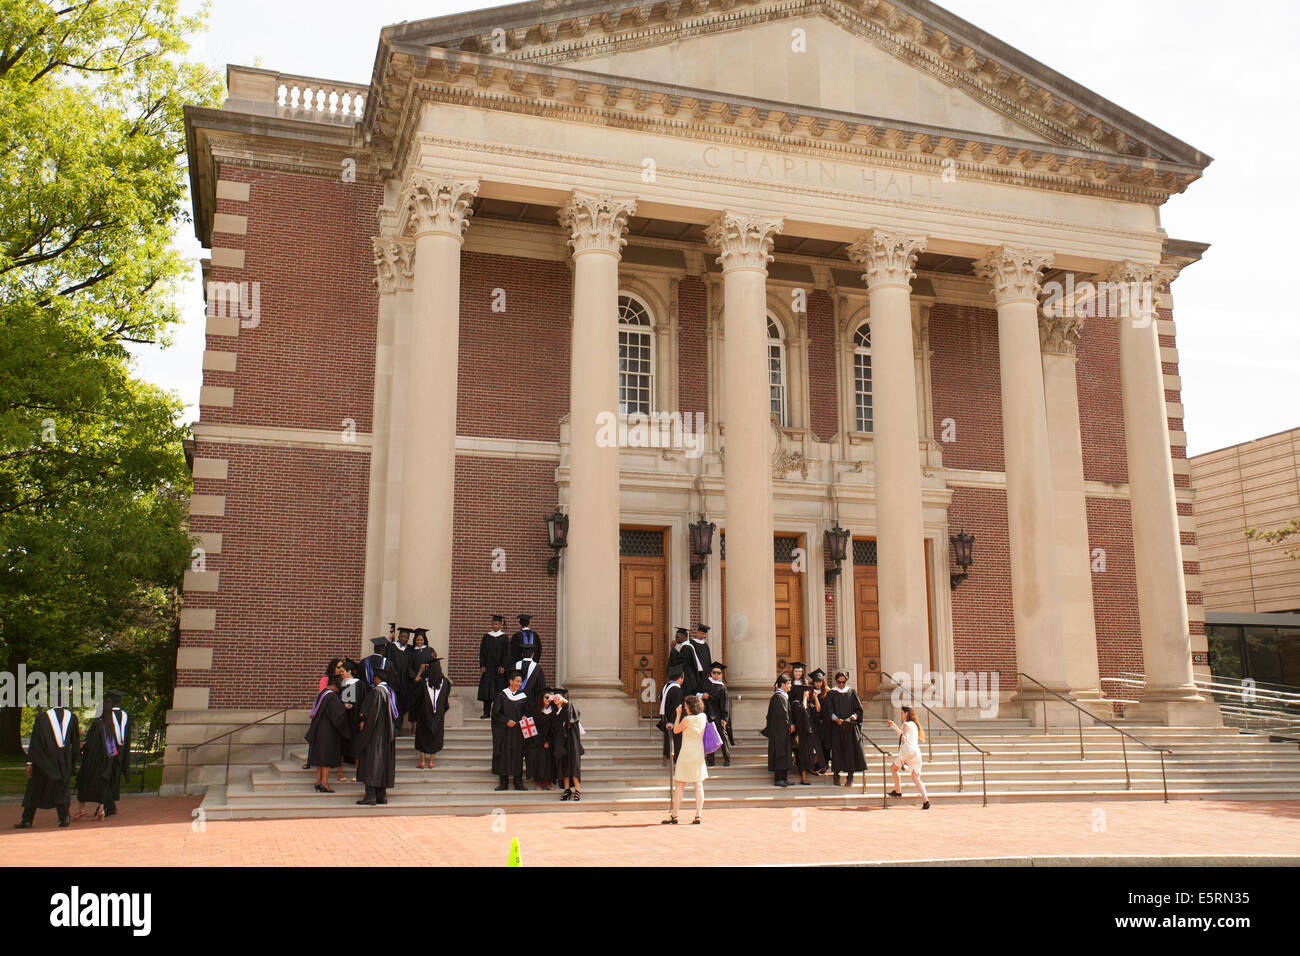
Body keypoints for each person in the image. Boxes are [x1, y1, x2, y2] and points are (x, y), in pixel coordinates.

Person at [15, 698, 79, 829]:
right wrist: (72, 761)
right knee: (61, 789)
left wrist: (30, 761)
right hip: (63, 761)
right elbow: (76, 743)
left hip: (43, 761)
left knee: (34, 789)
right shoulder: (72, 718)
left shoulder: (43, 718)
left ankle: (27, 820)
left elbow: (35, 741)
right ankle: (64, 817)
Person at [354, 655, 398, 806]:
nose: (372, 680)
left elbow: (371, 716)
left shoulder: (377, 692)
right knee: (383, 764)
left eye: (374, 678)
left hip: (375, 736)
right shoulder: (390, 692)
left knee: (372, 763)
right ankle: (382, 796)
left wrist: (364, 729)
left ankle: (371, 796)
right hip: (387, 735)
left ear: (378, 678)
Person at [662, 695, 709, 824]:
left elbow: (676, 730)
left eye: (686, 705)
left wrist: (677, 715)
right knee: (698, 784)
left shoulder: (687, 719)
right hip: (698, 753)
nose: (684, 707)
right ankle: (698, 814)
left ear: (690, 707)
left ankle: (675, 815)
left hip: (686, 753)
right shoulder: (703, 717)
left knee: (680, 785)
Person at [305, 676, 348, 793]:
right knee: (326, 758)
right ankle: (324, 784)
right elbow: (337, 715)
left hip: (319, 730)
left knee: (320, 758)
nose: (340, 689)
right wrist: (344, 707)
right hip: (328, 732)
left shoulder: (322, 694)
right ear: (334, 685)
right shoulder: (332, 697)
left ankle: (318, 782)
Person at [75, 711, 118, 820]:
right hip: (104, 762)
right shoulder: (109, 725)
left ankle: (81, 809)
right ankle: (101, 809)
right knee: (101, 785)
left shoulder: (97, 724)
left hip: (91, 761)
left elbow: (90, 742)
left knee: (82, 783)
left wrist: (82, 745)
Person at [515, 649, 549, 788]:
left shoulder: (515, 667)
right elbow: (541, 691)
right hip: (532, 715)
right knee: (532, 745)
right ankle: (533, 774)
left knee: (518, 745)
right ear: (533, 655)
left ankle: (517, 777)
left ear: (522, 654)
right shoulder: (538, 669)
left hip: (517, 713)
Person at [826, 671, 867, 786]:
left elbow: (859, 709)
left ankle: (850, 777)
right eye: (839, 682)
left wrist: (855, 716)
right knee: (837, 752)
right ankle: (836, 776)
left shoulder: (852, 692)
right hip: (837, 727)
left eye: (843, 682)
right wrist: (835, 719)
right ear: (836, 681)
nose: (841, 685)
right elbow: (829, 710)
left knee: (850, 752)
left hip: (849, 727)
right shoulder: (832, 693)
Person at [888, 706, 931, 809]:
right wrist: (896, 727)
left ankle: (898, 791)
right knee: (916, 778)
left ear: (906, 713)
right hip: (916, 753)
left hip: (908, 752)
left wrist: (896, 729)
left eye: (902, 713)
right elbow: (905, 737)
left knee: (893, 768)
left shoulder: (906, 724)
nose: (901, 715)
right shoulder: (914, 725)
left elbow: (904, 738)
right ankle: (926, 801)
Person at [491, 671, 528, 791]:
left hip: (518, 731)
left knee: (517, 756)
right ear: (510, 681)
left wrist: (524, 716)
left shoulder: (522, 696)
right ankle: (503, 783)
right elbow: (495, 714)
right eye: (517, 681)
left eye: (520, 681)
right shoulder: (501, 696)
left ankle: (518, 783)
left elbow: (526, 712)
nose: (519, 683)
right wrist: (506, 721)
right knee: (504, 755)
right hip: (505, 731)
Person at [414, 661, 452, 770]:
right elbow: (445, 699)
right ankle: (431, 761)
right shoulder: (445, 683)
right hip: (438, 714)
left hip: (424, 713)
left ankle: (422, 761)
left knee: (422, 734)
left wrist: (420, 671)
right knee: (435, 735)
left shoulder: (424, 682)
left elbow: (416, 694)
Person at [550, 688, 584, 801]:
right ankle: (567, 789)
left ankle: (578, 789)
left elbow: (575, 713)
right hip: (560, 743)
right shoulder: (555, 713)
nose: (556, 698)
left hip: (571, 742)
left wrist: (566, 701)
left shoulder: (568, 708)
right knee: (563, 766)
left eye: (558, 697)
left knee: (572, 765)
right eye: (555, 697)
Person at [763, 674, 795, 787]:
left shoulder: (784, 696)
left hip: (783, 731)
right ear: (783, 684)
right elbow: (782, 715)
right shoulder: (778, 697)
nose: (791, 685)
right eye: (789, 683)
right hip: (779, 731)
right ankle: (778, 779)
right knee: (780, 753)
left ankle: (784, 778)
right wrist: (789, 724)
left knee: (784, 753)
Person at [477, 614, 510, 718]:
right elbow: (482, 652)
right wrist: (482, 665)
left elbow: (507, 654)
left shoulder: (504, 638)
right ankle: (486, 712)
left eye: (496, 624)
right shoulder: (486, 637)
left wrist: (503, 666)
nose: (494, 626)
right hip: (488, 668)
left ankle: (496, 712)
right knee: (487, 691)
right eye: (493, 624)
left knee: (498, 691)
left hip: (498, 670)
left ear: (500, 625)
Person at [794, 676, 826, 784]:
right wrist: (804, 698)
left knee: (817, 751)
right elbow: (802, 711)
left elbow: (818, 710)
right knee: (802, 754)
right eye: (805, 691)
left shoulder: (811, 702)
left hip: (812, 730)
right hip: (802, 732)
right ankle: (804, 778)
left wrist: (816, 698)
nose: (807, 693)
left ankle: (811, 767)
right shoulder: (797, 703)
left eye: (808, 691)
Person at [104, 689, 130, 813]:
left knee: (106, 777)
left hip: (108, 752)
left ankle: (107, 805)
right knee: (115, 777)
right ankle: (111, 804)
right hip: (121, 752)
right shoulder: (125, 716)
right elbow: (127, 738)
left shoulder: (106, 715)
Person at [385, 627, 415, 735]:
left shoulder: (410, 649)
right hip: (394, 681)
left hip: (405, 683)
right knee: (393, 703)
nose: (404, 639)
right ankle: (391, 728)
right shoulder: (392, 647)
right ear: (398, 636)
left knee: (402, 706)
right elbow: (388, 662)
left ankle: (399, 728)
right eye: (402, 636)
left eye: (406, 637)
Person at [702, 662, 731, 767]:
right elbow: (697, 694)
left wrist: (725, 718)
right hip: (706, 714)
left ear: (721, 674)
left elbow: (725, 704)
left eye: (718, 673)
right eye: (714, 672)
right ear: (710, 673)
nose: (716, 675)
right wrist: (702, 695)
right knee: (709, 737)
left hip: (718, 716)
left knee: (723, 737)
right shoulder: (705, 684)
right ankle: (711, 761)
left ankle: (727, 759)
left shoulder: (722, 688)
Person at [339, 658, 363, 781]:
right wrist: (343, 705)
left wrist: (362, 718)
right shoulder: (341, 684)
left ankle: (357, 774)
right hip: (344, 720)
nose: (341, 674)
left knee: (356, 747)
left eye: (343, 672)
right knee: (341, 747)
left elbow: (363, 702)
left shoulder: (359, 684)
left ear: (349, 671)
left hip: (355, 720)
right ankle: (340, 774)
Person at [657, 665, 686, 760]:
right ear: (680, 678)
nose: (683, 680)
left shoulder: (666, 687)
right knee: (677, 742)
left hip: (666, 717)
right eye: (683, 678)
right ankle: (676, 760)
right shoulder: (677, 690)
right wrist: (673, 722)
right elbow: (677, 707)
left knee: (668, 741)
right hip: (674, 720)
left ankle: (668, 757)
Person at [669, 627, 704, 695]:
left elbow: (679, 661)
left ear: (683, 637)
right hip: (688, 679)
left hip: (688, 680)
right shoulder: (686, 647)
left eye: (677, 637)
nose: (676, 639)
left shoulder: (687, 648)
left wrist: (673, 649)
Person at [810, 669, 834, 767]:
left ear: (823, 681)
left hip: (826, 723)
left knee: (826, 744)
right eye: (816, 681)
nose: (818, 683)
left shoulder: (828, 692)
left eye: (820, 681)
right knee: (818, 744)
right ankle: (818, 764)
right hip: (815, 723)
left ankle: (826, 764)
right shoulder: (811, 693)